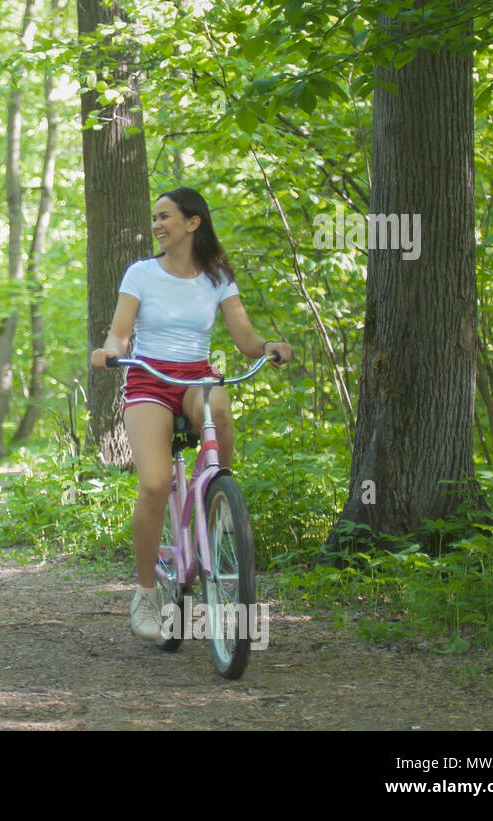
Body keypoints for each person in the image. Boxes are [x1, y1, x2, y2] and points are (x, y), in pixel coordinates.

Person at [89, 187, 293, 640]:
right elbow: (120, 335)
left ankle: (219, 502)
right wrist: (108, 351)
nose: (157, 224)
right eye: (155, 218)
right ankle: (145, 593)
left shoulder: (217, 276)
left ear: (192, 222)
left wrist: (268, 348)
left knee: (219, 404)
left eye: (165, 217)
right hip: (147, 379)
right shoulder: (141, 273)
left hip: (195, 376)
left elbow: (245, 338)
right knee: (155, 483)